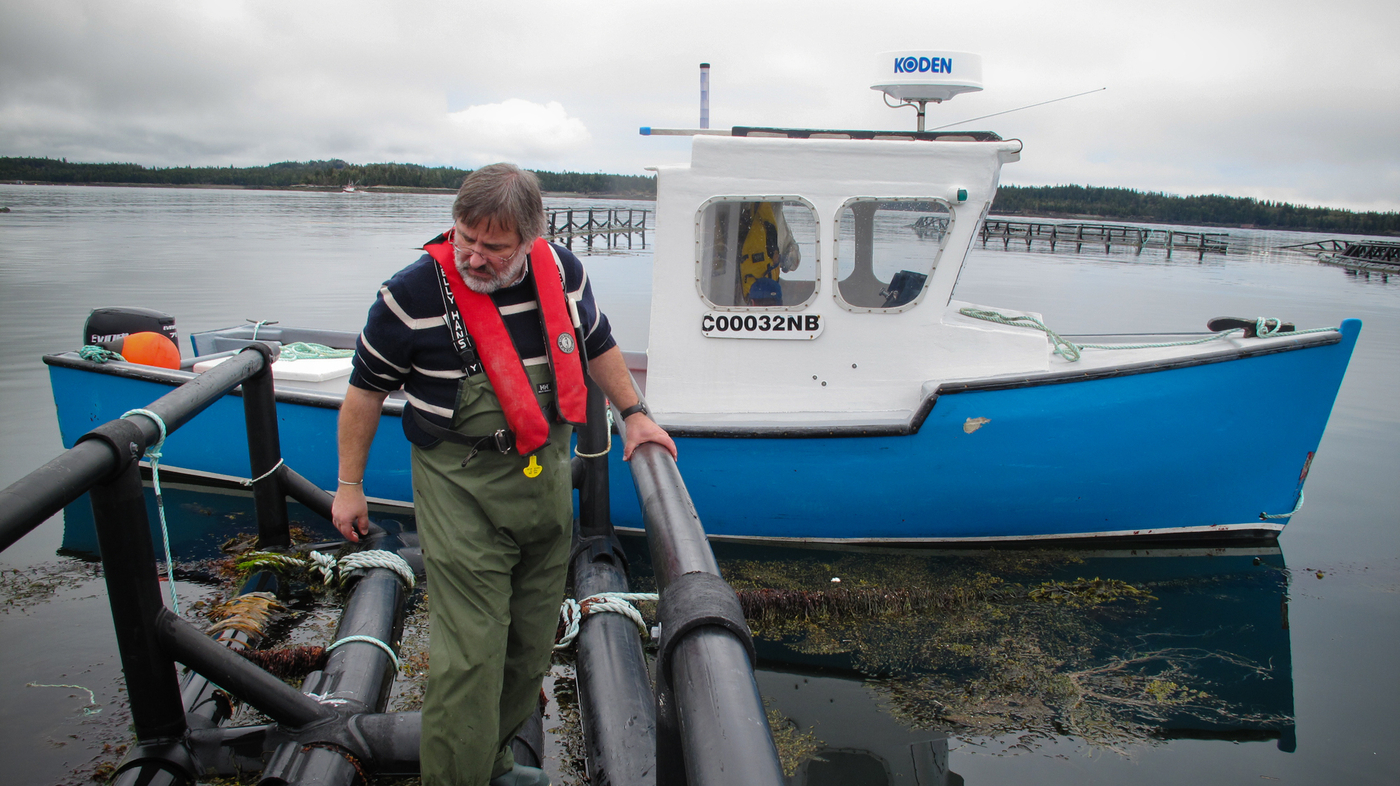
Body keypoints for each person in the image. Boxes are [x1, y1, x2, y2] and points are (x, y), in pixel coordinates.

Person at [331, 163, 675, 786]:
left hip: (543, 489)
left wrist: (635, 414)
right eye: (465, 237)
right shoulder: (408, 296)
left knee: (529, 644)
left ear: (530, 241)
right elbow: (364, 392)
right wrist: (349, 487)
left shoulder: (565, 273)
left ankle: (490, 765)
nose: (473, 257)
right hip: (460, 490)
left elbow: (596, 344)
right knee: (471, 657)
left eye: (494, 247)